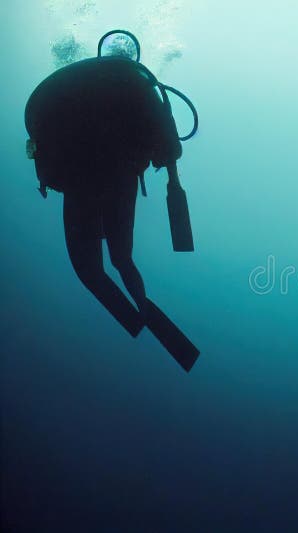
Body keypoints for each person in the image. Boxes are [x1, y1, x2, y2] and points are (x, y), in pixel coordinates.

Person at [24, 31, 199, 371]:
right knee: (122, 259)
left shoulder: (75, 86)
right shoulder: (140, 86)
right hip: (119, 178)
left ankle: (136, 321)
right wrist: (171, 178)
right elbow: (170, 149)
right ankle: (143, 307)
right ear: (133, 57)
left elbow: (40, 138)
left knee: (89, 272)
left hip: (77, 180)